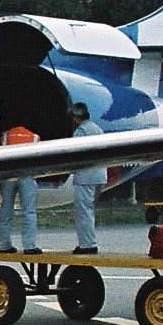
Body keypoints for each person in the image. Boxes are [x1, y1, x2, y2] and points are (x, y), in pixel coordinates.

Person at [0, 124, 41, 255]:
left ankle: (5, 245)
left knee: (6, 210)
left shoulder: (5, 136)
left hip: (9, 175)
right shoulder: (34, 137)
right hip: (26, 175)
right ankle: (29, 246)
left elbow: (0, 155)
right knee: (29, 212)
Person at [69, 102, 106, 254]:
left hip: (86, 178)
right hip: (100, 175)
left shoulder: (82, 131)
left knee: (83, 212)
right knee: (89, 211)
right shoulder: (97, 129)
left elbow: (74, 153)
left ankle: (87, 245)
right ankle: (89, 242)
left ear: (77, 117)